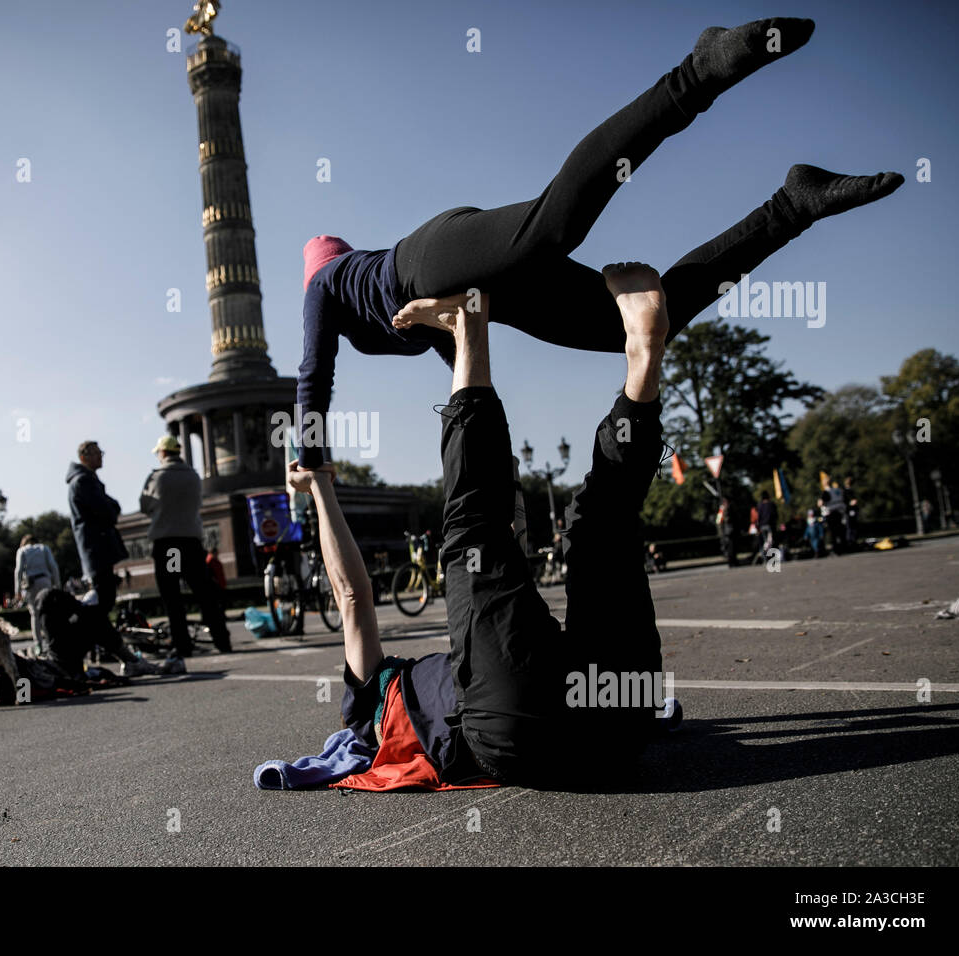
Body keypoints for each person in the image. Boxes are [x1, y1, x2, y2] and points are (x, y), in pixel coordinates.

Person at [294, 17, 903, 467]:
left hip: (427, 260)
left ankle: (696, 74)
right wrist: (492, 453)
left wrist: (310, 459)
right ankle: (791, 207)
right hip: (482, 300)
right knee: (638, 329)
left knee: (555, 227)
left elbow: (312, 378)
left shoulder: (324, 285)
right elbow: (459, 359)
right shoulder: (375, 309)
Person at [280, 261, 676, 789]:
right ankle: (471, 324)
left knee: (602, 529)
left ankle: (643, 364)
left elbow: (354, 597)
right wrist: (321, 487)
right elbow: (353, 596)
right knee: (478, 527)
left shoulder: (384, 700)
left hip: (622, 719)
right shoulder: (370, 695)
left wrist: (317, 490)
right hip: (521, 718)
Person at [140, 435, 232, 656]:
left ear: (163, 453)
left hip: (170, 545)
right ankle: (222, 640)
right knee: (204, 593)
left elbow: (145, 505)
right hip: (191, 542)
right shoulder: (193, 475)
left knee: (173, 595)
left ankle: (182, 644)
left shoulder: (157, 477)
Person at [67, 440, 130, 609]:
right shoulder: (83, 481)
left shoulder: (86, 480)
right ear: (83, 457)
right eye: (96, 453)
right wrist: (112, 509)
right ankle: (101, 635)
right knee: (104, 597)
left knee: (104, 595)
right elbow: (107, 510)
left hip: (96, 549)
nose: (100, 457)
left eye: (101, 452)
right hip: (97, 548)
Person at [14, 534, 61, 655]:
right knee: (49, 612)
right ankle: (52, 641)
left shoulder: (22, 551)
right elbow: (53, 566)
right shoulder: (43, 548)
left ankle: (38, 644)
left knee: (34, 614)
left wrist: (17, 590)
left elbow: (18, 570)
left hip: (31, 583)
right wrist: (57, 584)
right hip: (45, 580)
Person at [754, 490, 778, 564]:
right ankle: (771, 558)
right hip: (770, 525)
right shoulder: (771, 504)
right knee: (770, 542)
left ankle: (765, 557)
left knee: (765, 542)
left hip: (762, 526)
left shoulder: (760, 505)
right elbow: (775, 515)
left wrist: (758, 526)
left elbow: (758, 517)